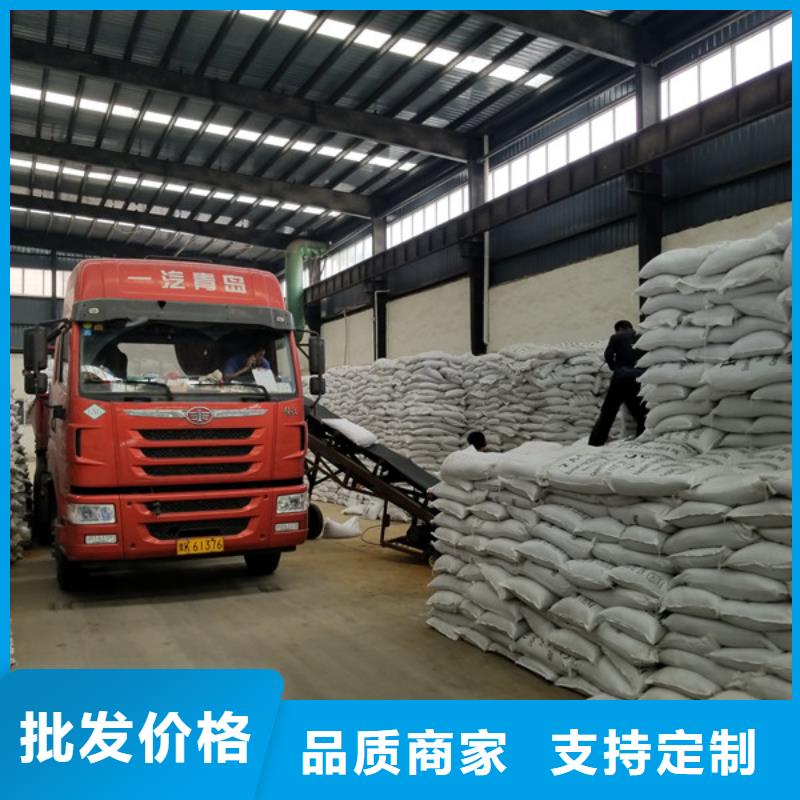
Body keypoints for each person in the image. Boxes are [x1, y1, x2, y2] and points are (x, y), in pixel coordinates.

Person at [588, 320, 648, 447]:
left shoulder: (616, 337)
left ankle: (596, 441)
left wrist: (614, 367)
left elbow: (608, 355)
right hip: (639, 377)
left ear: (619, 328)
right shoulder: (643, 336)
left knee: (609, 410)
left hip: (621, 377)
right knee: (639, 410)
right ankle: (642, 437)